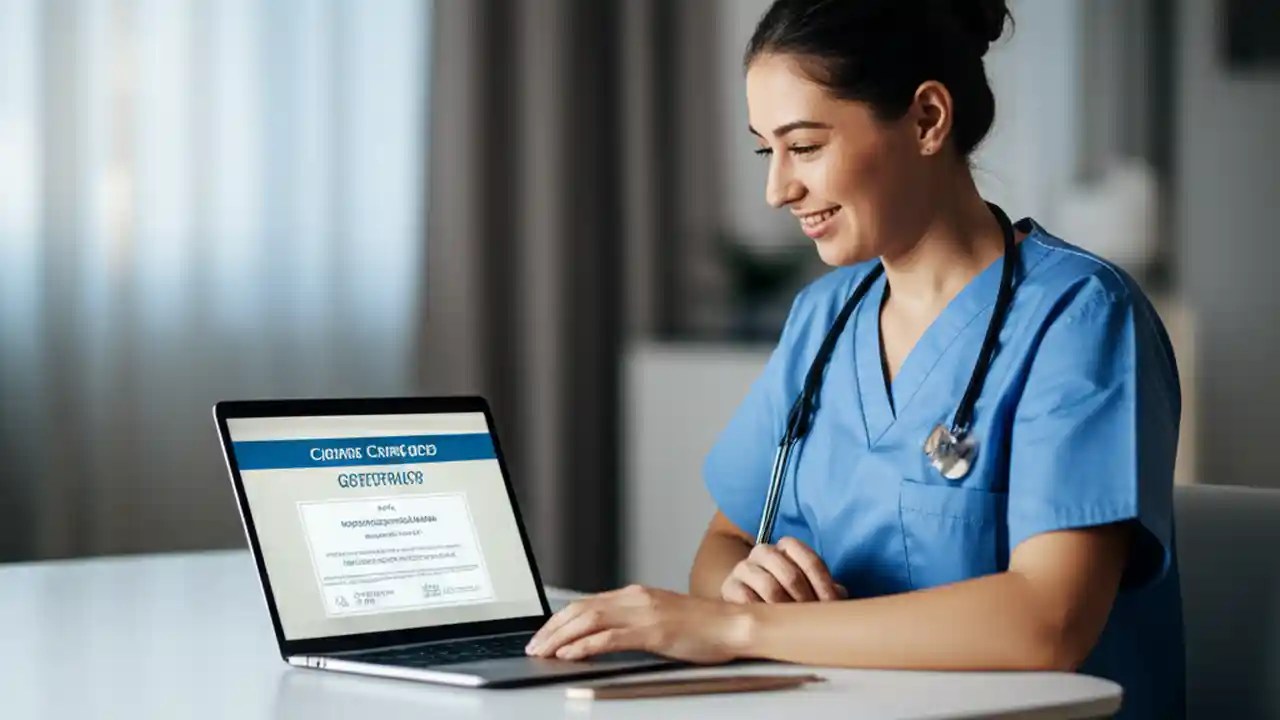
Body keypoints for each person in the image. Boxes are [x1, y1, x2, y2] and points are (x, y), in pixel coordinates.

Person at [526, 1, 1184, 717]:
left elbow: (1046, 621)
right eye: (764, 151)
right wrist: (746, 587)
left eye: (804, 147)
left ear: (928, 119)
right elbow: (723, 543)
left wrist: (740, 625)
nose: (777, 189)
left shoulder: (1078, 316)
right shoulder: (824, 317)